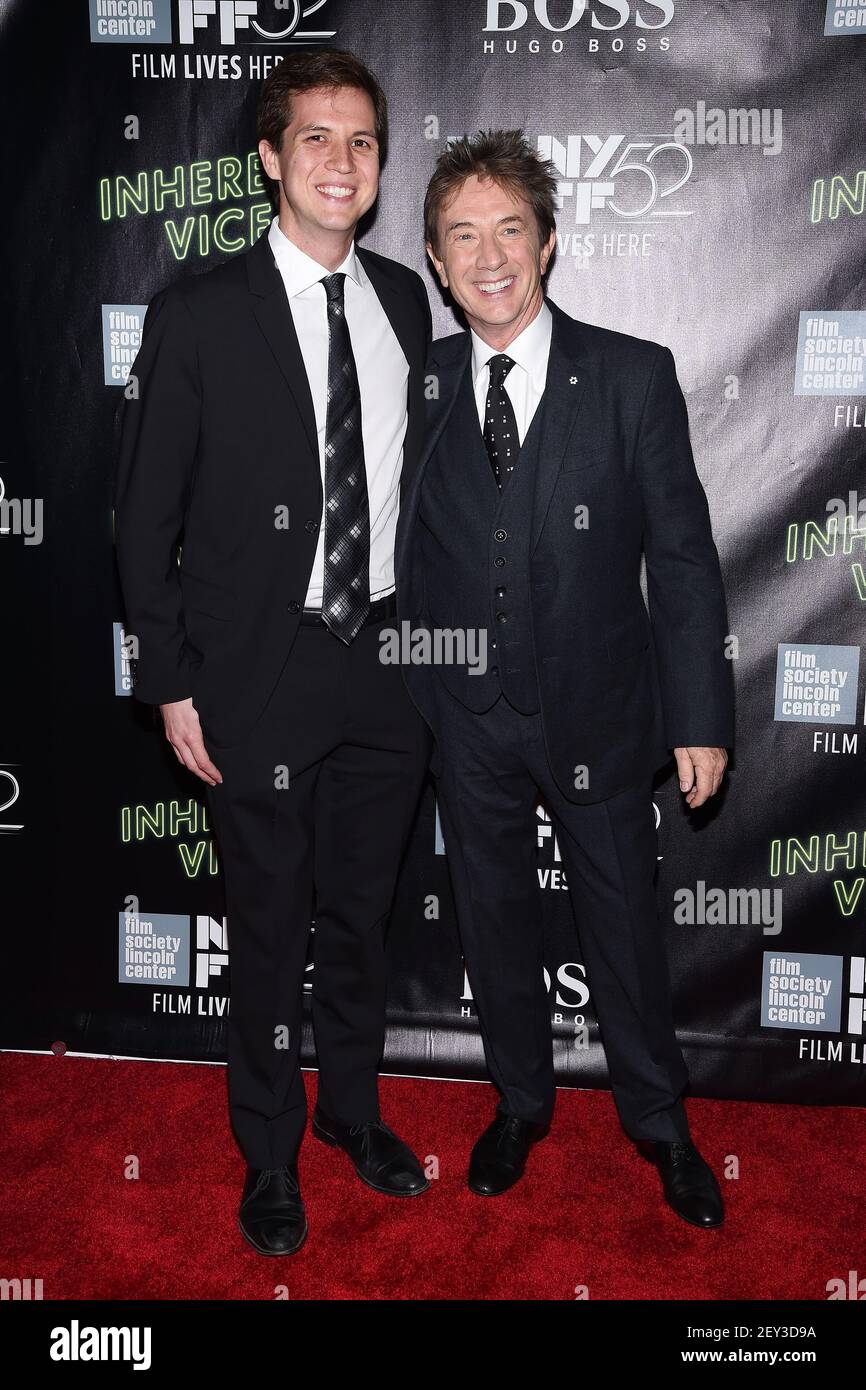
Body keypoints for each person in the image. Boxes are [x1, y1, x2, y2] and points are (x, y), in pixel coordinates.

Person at [114, 50, 433, 1258]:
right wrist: (171, 680)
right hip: (257, 672)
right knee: (265, 925)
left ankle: (352, 1113)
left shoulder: (407, 300)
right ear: (267, 156)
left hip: (390, 662)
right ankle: (269, 1156)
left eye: (358, 140)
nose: (340, 161)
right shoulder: (196, 312)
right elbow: (143, 520)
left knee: (359, 916)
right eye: (314, 138)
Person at [394, 129, 735, 1227]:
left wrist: (697, 713)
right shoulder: (426, 381)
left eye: (508, 230)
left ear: (546, 243)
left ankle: (658, 1123)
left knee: (621, 923)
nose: (487, 255)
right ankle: (519, 1104)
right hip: (467, 718)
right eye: (461, 236)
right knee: (490, 921)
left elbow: (679, 558)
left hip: (598, 707)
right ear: (437, 266)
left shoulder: (632, 374)